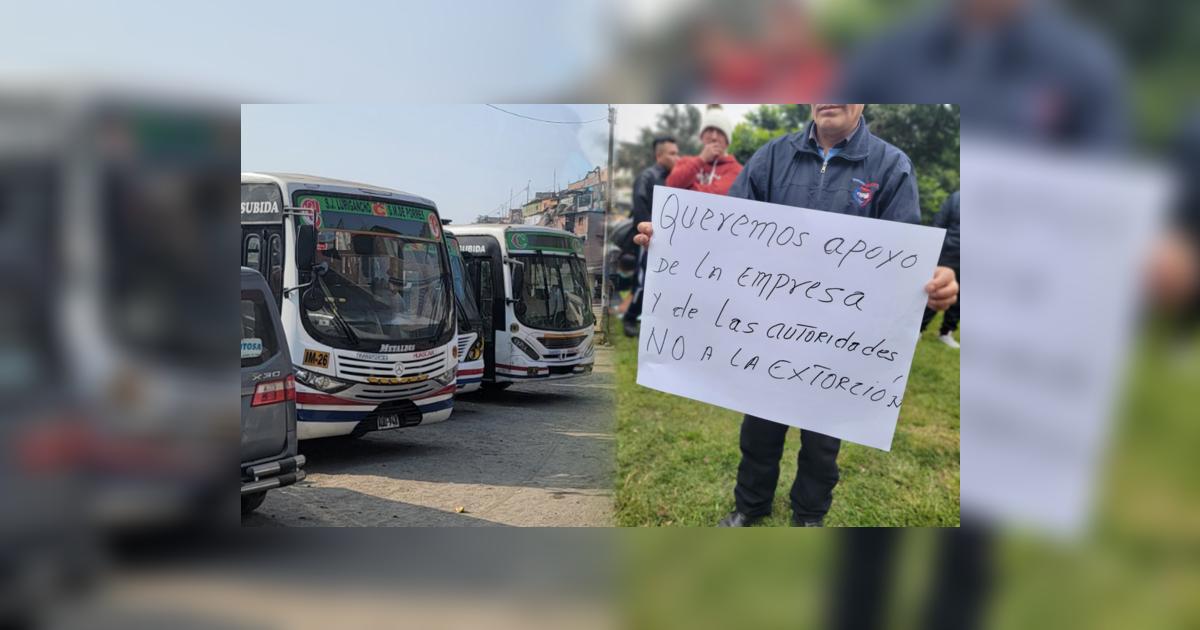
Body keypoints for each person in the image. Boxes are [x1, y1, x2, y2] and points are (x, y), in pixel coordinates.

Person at [634, 104, 959, 527]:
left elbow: (906, 266)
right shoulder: (770, 158)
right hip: (765, 336)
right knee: (758, 431)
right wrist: (673, 242)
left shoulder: (892, 166)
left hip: (840, 344)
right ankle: (749, 507)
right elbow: (725, 232)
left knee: (824, 442)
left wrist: (934, 285)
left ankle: (809, 516)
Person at [623, 137, 679, 337]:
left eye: (677, 153)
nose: (676, 157)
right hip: (649, 239)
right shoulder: (647, 177)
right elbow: (640, 208)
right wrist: (649, 233)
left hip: (671, 240)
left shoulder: (675, 178)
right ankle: (630, 318)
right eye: (672, 153)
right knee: (644, 280)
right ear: (659, 155)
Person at [665, 105, 743, 195]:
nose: (714, 137)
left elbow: (717, 197)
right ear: (702, 136)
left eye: (720, 132)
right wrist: (701, 159)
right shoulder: (685, 162)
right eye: (709, 130)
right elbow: (670, 187)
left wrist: (685, 189)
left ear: (727, 141)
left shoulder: (737, 170)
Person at [921, 191, 961, 347]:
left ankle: (946, 332)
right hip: (947, 255)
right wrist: (935, 249)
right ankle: (919, 328)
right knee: (935, 292)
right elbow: (939, 223)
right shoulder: (957, 197)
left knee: (960, 300)